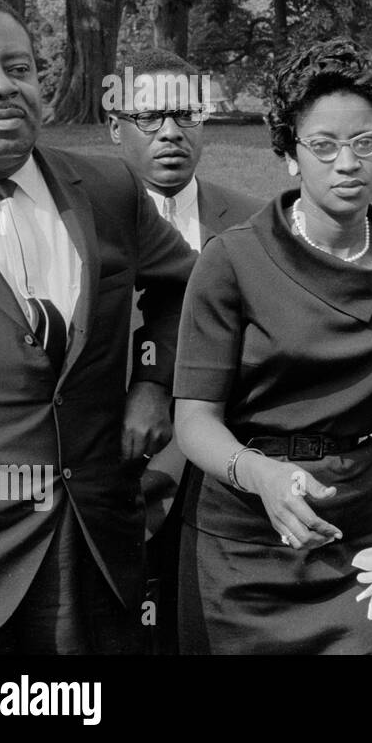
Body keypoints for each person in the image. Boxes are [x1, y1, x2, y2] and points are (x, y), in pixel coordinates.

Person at [172, 38, 372, 654]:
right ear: (288, 156)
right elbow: (194, 421)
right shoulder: (234, 259)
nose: (347, 163)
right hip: (245, 540)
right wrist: (261, 475)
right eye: (323, 146)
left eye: (366, 142)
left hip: (358, 540)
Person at [0, 0, 196, 653]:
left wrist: (151, 381)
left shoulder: (108, 191)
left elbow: (193, 289)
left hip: (99, 548)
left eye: (20, 68)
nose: (2, 86)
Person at [106, 47, 262, 654]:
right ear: (114, 125)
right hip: (114, 465)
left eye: (186, 114)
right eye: (149, 118)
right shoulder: (80, 216)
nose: (170, 132)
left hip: (228, 474)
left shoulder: (257, 222)